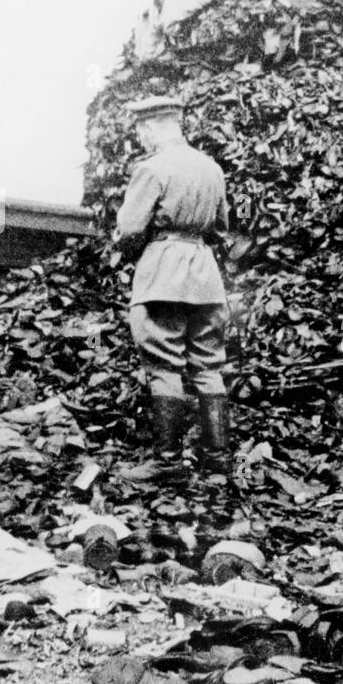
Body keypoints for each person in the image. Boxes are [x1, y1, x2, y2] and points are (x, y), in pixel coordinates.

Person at [115, 96, 233, 471]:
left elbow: (130, 228)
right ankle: (217, 459)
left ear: (151, 127)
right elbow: (220, 228)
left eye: (141, 132)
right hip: (206, 276)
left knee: (164, 366)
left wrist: (140, 250)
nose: (141, 140)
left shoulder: (151, 168)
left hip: (164, 273)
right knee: (209, 366)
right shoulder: (211, 168)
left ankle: (167, 464)